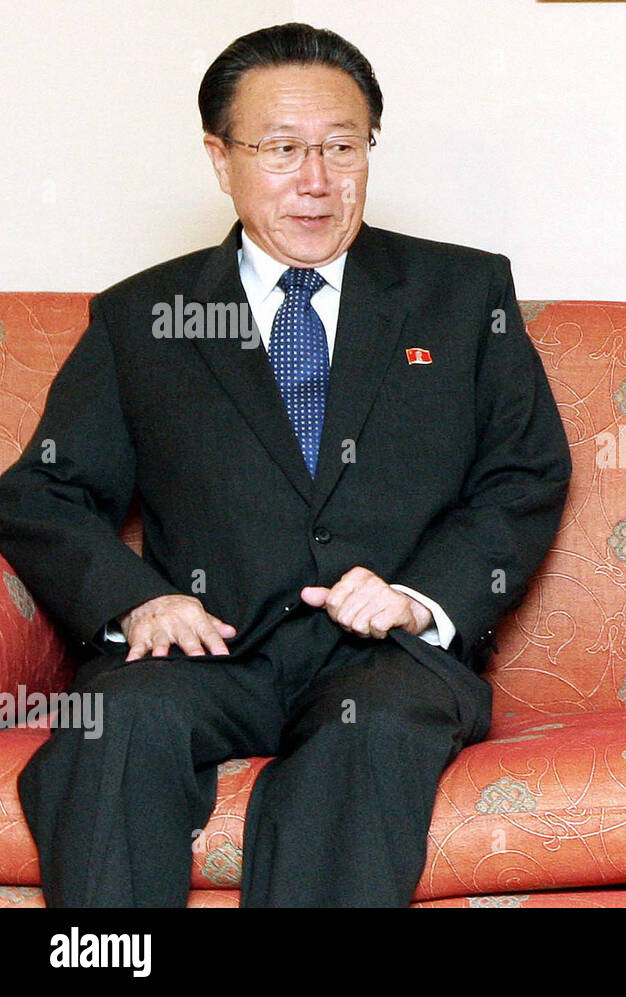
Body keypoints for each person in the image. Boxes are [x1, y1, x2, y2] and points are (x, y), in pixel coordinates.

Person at [0, 22, 571, 907]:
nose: (316, 180)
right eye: (282, 148)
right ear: (219, 158)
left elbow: (524, 472)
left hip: (385, 660)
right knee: (112, 727)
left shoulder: (463, 295)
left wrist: (418, 598)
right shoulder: (143, 316)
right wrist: (136, 599)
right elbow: (43, 490)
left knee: (368, 735)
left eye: (342, 147)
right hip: (210, 651)